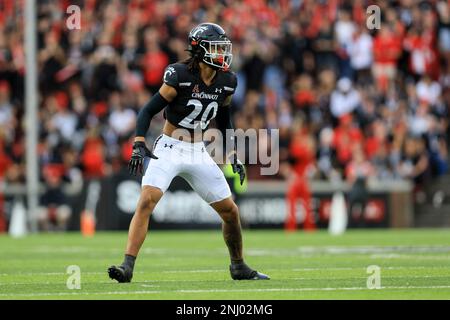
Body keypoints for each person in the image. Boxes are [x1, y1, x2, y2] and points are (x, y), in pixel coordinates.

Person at [108, 23, 269, 282]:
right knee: (147, 199)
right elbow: (147, 110)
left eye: (223, 48)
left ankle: (238, 266)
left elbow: (224, 120)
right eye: (216, 48)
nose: (222, 53)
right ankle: (127, 265)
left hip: (198, 150)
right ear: (200, 49)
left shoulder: (227, 81)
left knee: (231, 211)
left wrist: (232, 154)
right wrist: (139, 142)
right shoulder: (179, 75)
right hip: (170, 147)